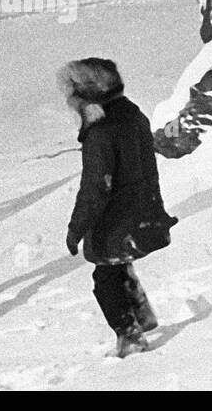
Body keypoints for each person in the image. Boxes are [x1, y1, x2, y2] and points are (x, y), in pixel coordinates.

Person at [59, 58, 177, 358]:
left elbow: (95, 187)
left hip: (118, 216)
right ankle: (142, 315)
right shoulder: (132, 113)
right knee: (117, 265)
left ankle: (131, 337)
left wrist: (76, 229)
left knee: (104, 279)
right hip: (141, 208)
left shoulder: (101, 131)